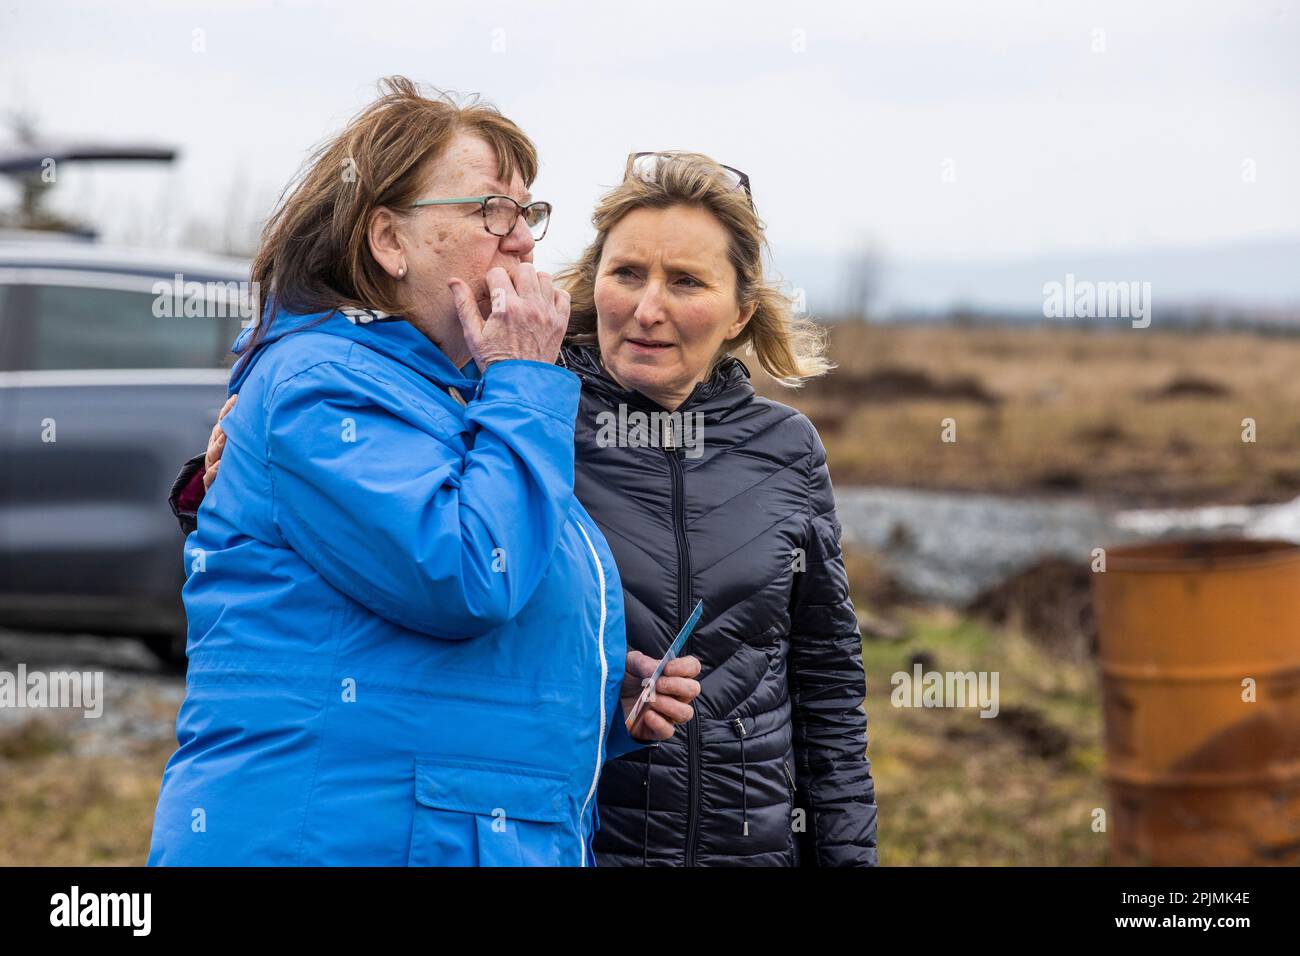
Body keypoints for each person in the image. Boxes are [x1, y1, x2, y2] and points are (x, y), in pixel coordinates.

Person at [174, 150, 877, 866]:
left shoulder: (786, 448)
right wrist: (222, 492)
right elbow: (388, 554)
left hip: (749, 851)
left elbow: (826, 682)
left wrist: (846, 855)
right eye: (626, 273)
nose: (648, 307)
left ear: (741, 314)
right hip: (575, 841)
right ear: (589, 284)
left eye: (687, 281)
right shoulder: (513, 415)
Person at [148, 77, 699, 868]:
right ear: (388, 241)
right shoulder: (324, 386)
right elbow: (469, 573)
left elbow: (416, 645)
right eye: (491, 212)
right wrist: (521, 379)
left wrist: (595, 684)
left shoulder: (451, 397)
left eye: (528, 214)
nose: (522, 242)